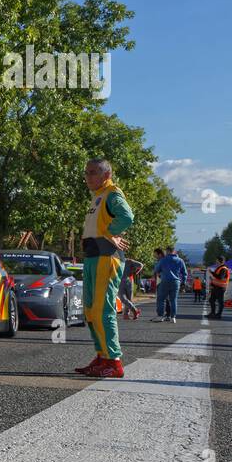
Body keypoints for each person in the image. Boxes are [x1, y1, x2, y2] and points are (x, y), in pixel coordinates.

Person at [76, 158, 134, 378]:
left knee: (103, 310)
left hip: (106, 257)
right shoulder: (98, 197)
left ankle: (114, 361)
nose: (87, 177)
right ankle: (102, 357)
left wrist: (111, 233)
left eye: (92, 172)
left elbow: (127, 217)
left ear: (106, 175)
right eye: (86, 172)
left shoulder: (112, 194)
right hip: (92, 257)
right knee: (91, 311)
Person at [152, 246, 187, 323]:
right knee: (173, 300)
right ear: (174, 251)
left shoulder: (163, 260)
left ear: (167, 251)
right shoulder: (180, 260)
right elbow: (184, 273)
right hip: (176, 282)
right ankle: (173, 317)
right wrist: (183, 283)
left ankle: (160, 316)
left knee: (161, 299)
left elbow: (156, 269)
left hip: (165, 281)